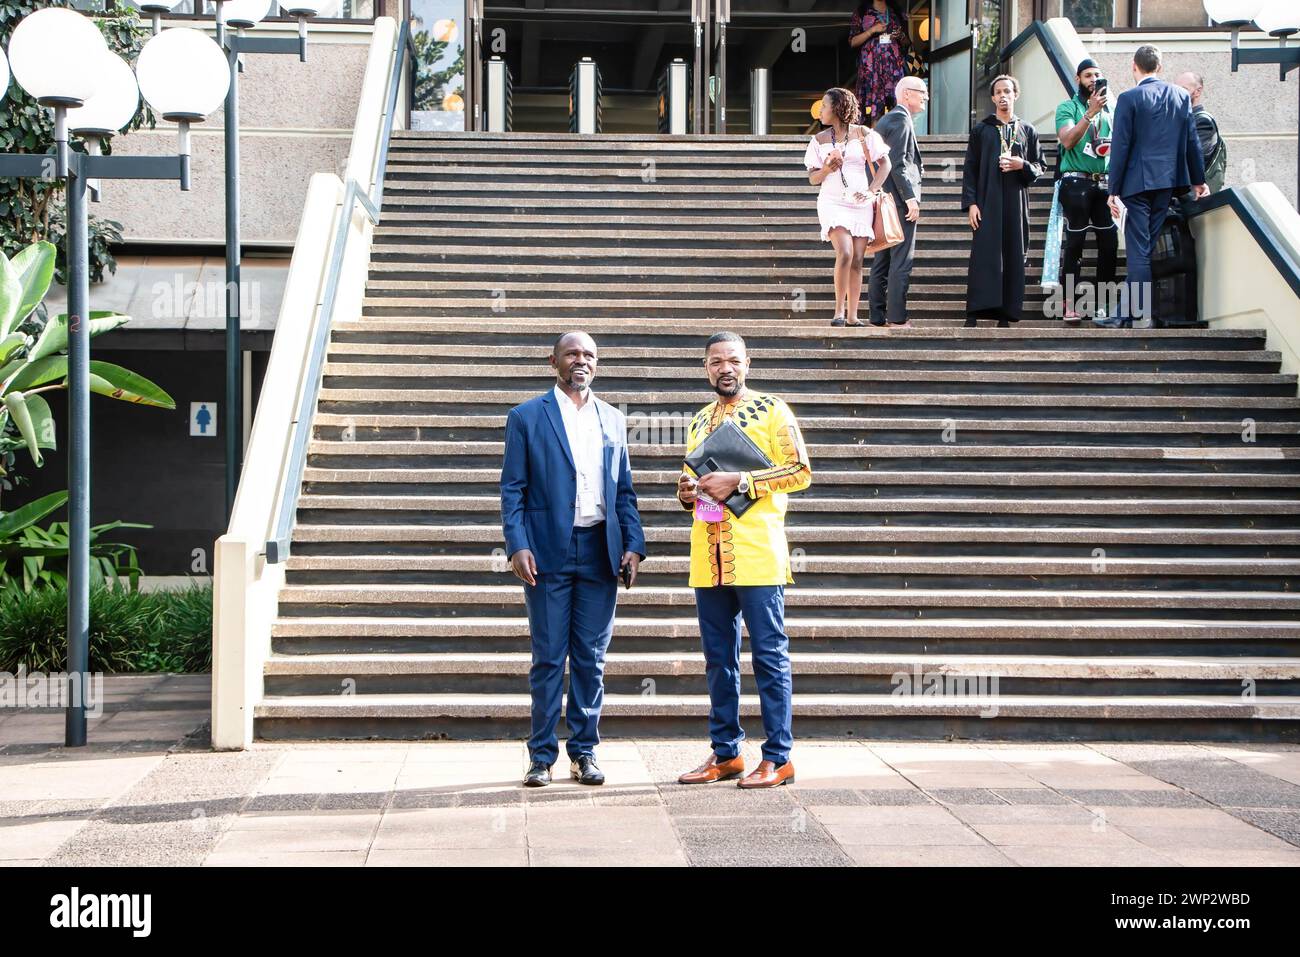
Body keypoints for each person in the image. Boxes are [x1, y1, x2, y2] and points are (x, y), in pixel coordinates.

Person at [500, 331, 646, 788]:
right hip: (546, 552)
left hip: (600, 550)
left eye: (588, 355)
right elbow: (512, 490)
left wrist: (633, 543)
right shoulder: (526, 417)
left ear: (596, 364)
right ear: (553, 361)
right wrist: (516, 544)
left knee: (591, 658)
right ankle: (541, 756)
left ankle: (584, 753)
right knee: (548, 657)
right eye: (572, 354)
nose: (580, 361)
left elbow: (623, 490)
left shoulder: (613, 420)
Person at [675, 332, 812, 790]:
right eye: (716, 362)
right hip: (708, 554)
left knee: (770, 656)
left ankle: (779, 756)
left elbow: (801, 472)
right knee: (718, 659)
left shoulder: (773, 409)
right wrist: (687, 493)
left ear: (747, 363)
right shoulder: (697, 421)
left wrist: (743, 480)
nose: (725, 369)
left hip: (758, 553)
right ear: (705, 367)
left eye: (733, 360)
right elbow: (696, 482)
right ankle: (726, 753)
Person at [1106, 45, 1209, 328]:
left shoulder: (1129, 98)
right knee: (1146, 246)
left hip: (1136, 184)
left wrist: (1112, 189)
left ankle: (1134, 314)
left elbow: (1121, 145)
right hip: (1167, 184)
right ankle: (1125, 314)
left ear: (1133, 66)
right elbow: (1191, 142)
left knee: (1139, 249)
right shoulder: (1180, 96)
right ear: (1160, 67)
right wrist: (1199, 181)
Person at [961, 75, 1047, 327]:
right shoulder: (981, 130)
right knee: (983, 256)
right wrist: (971, 203)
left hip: (1015, 203)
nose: (1003, 96)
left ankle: (1005, 314)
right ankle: (974, 313)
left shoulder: (1027, 130)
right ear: (992, 97)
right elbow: (970, 168)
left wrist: (1023, 165)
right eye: (998, 92)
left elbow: (1041, 166)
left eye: (1007, 91)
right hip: (986, 202)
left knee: (1012, 254)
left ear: (1015, 95)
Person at [804, 87, 892, 327]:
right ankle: (839, 312)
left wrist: (872, 191)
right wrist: (827, 169)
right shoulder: (819, 140)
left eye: (824, 105)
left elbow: (885, 164)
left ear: (838, 108)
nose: (820, 110)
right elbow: (813, 178)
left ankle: (853, 315)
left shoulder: (864, 134)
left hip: (860, 202)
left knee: (858, 258)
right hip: (832, 201)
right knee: (845, 251)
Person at [1054, 58, 1118, 325]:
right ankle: (1069, 304)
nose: (1093, 80)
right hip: (1076, 183)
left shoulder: (1111, 112)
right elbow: (1067, 140)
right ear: (1078, 78)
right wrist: (1089, 112)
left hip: (1104, 182)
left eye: (1098, 75)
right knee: (1076, 244)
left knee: (1109, 244)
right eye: (1088, 75)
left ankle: (1103, 305)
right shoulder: (1068, 107)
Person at [868, 75, 927, 328]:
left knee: (883, 260)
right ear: (906, 95)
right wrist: (911, 199)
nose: (925, 97)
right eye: (921, 92)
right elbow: (898, 165)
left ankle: (878, 316)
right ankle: (897, 317)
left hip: (887, 201)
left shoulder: (890, 120)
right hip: (898, 202)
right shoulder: (900, 120)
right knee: (902, 259)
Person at [849, 0, 909, 126]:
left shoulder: (897, 12)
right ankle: (875, 140)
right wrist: (872, 30)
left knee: (896, 105)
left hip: (893, 66)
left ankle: (895, 139)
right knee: (875, 107)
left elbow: (907, 42)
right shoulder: (862, 12)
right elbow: (853, 41)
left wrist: (901, 35)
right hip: (871, 67)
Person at [1175, 71, 1227, 194]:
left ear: (1197, 91)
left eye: (1183, 89)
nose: (1177, 94)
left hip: (1193, 197)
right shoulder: (1180, 120)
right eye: (1175, 89)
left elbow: (1193, 159)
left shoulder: (1203, 121)